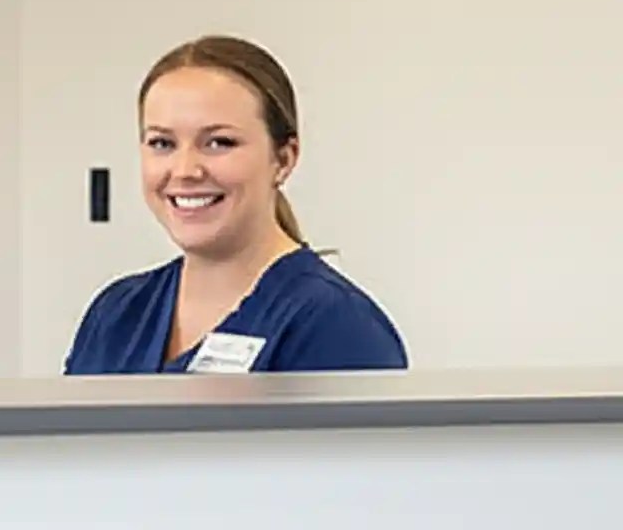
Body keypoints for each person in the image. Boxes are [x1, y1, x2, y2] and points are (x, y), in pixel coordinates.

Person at [64, 35, 407, 375]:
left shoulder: (338, 327)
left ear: (284, 159)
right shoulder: (116, 315)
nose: (185, 171)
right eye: (162, 143)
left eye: (218, 142)